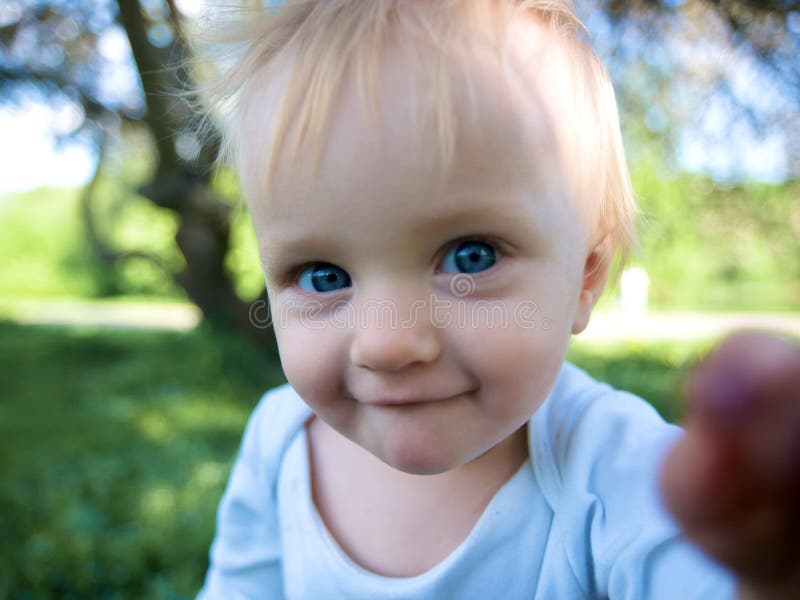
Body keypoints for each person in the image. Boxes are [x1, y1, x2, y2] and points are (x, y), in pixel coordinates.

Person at [194, 1, 800, 598]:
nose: (387, 343)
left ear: (586, 275)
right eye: (324, 275)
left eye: (470, 256)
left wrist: (767, 575)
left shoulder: (617, 475)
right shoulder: (279, 442)